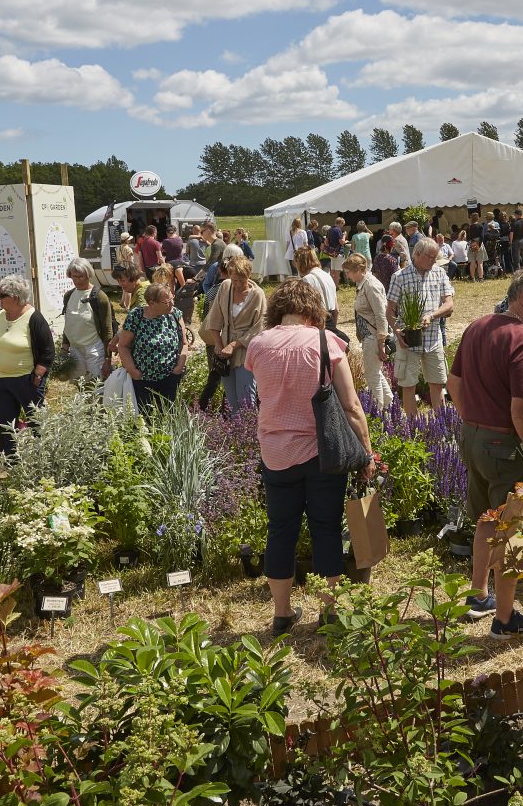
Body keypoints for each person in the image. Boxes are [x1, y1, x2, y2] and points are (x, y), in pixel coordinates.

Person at [244, 279, 375, 634]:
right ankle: (329, 612)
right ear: (312, 309)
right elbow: (351, 405)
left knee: (280, 530)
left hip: (275, 451)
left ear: (277, 309)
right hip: (322, 451)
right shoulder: (326, 341)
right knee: (326, 528)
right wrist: (365, 451)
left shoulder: (258, 345)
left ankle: (282, 614)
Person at [449, 268, 523, 638]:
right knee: (513, 529)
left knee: (486, 519)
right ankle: (506, 619)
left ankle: (478, 595)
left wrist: (472, 419)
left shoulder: (477, 326)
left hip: (473, 436)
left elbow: (454, 382)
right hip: (504, 446)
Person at [0, 275, 54, 457]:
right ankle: (10, 457)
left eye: (2, 295)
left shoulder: (34, 318)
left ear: (15, 297)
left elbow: (47, 351)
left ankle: (45, 454)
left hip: (26, 380)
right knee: (5, 421)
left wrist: (38, 376)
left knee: (36, 419)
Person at [387, 239, 455, 418]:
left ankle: (441, 425)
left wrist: (432, 316)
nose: (434, 261)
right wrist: (397, 332)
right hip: (408, 342)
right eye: (431, 257)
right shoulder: (400, 276)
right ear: (417, 255)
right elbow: (390, 310)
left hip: (433, 340)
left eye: (436, 257)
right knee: (408, 385)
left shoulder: (439, 273)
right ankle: (412, 426)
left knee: (438, 383)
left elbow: (449, 304)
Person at [201, 253, 265, 412]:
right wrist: (218, 343)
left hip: (246, 349)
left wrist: (234, 345)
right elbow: (215, 316)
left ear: (248, 276)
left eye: (241, 281)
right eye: (234, 279)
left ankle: (249, 433)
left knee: (246, 396)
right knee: (230, 397)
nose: (236, 284)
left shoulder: (257, 294)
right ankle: (236, 432)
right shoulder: (225, 287)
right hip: (224, 349)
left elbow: (259, 328)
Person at [119, 282, 192, 408]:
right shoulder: (136, 315)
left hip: (170, 377)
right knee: (145, 419)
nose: (172, 304)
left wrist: (179, 366)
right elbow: (123, 346)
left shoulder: (175, 314)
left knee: (168, 416)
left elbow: (184, 343)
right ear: (152, 303)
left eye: (172, 298)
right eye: (166, 302)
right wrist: (133, 371)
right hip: (143, 379)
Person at [341, 254, 392, 409]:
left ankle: (378, 408)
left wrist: (381, 342)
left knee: (372, 375)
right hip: (368, 336)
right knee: (375, 372)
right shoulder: (363, 284)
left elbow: (381, 314)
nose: (347, 275)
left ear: (359, 270)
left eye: (349, 272)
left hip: (373, 336)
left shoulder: (371, 285)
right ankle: (390, 404)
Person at [60, 259, 113, 383]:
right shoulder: (68, 296)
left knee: (97, 384)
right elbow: (69, 324)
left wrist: (107, 358)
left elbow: (107, 329)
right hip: (75, 349)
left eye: (81, 276)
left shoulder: (99, 297)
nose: (77, 280)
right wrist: (64, 348)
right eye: (74, 276)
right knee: (79, 384)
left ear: (88, 275)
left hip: (94, 348)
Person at [295, 247, 338, 330]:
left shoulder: (307, 279)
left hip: (317, 321)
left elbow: (306, 309)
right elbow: (336, 309)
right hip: (331, 320)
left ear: (300, 262)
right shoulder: (327, 276)